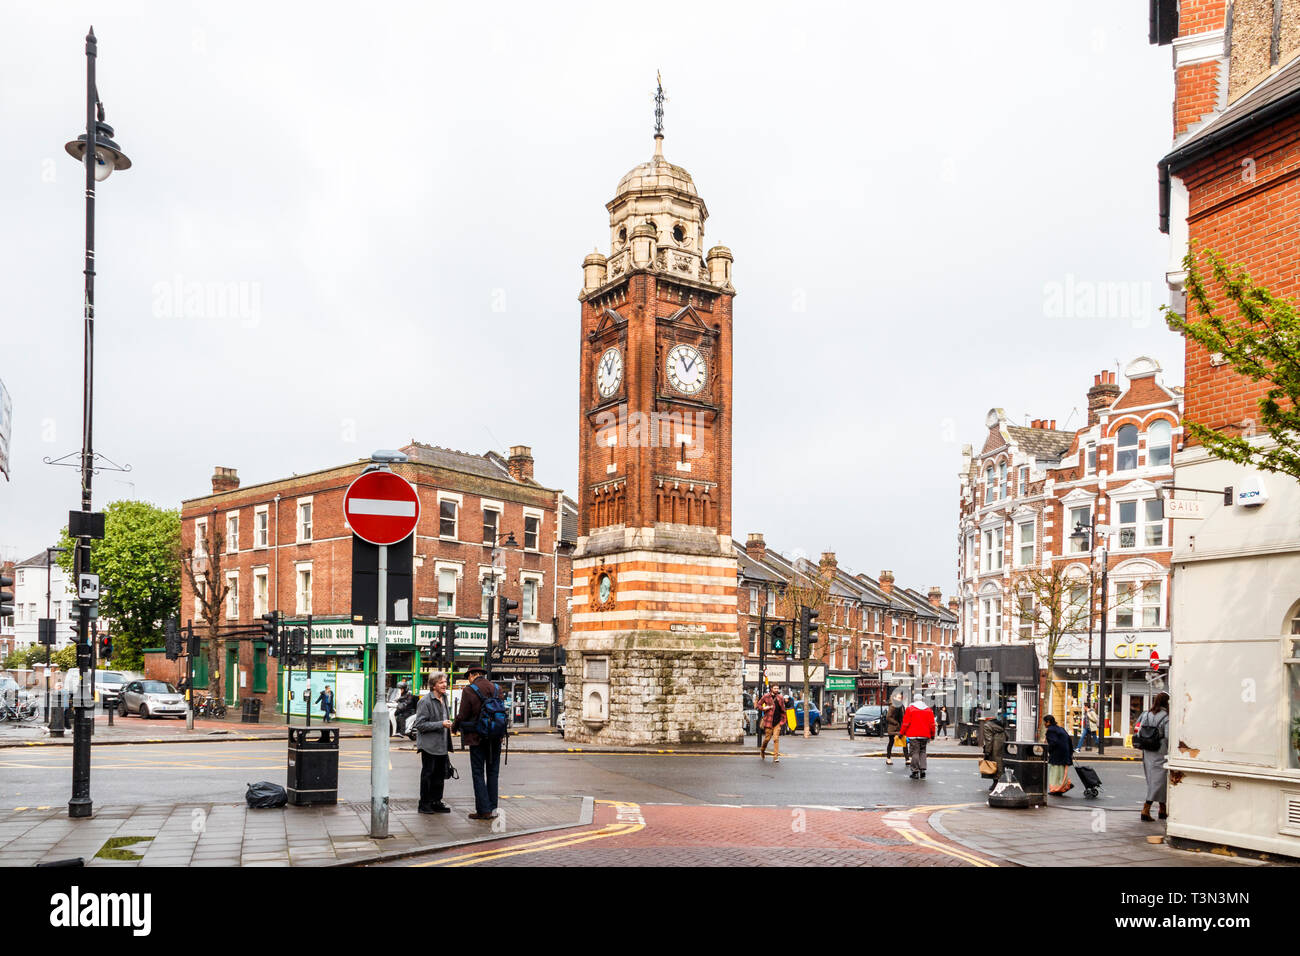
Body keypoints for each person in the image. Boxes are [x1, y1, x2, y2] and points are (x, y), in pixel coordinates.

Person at [453, 663, 506, 820]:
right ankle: (493, 808)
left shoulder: (469, 690)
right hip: (496, 737)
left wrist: (454, 727)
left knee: (478, 773)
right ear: (481, 674)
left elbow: (463, 714)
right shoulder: (497, 688)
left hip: (477, 738)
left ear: (471, 675)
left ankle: (484, 810)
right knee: (493, 773)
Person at [412, 671, 453, 814]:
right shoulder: (425, 701)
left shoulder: (445, 698)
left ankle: (436, 802)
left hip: (442, 744)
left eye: (445, 682)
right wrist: (441, 724)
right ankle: (424, 804)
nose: (445, 685)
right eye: (441, 682)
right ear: (433, 685)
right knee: (428, 775)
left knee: (440, 775)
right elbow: (420, 725)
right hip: (429, 746)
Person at [1136, 692, 1170, 822]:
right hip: (1160, 750)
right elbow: (1167, 735)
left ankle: (1162, 809)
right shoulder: (1166, 716)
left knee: (1153, 779)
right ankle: (1146, 808)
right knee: (1159, 780)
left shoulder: (1147, 714)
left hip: (1147, 750)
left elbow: (1139, 731)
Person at [899, 694, 936, 779]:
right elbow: (932, 724)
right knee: (923, 752)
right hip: (925, 735)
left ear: (914, 700)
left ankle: (915, 771)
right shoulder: (928, 710)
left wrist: (901, 733)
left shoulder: (910, 709)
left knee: (915, 752)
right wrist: (932, 735)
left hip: (913, 735)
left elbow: (906, 723)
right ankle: (922, 770)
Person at [1044, 714, 1074, 794]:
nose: (1044, 724)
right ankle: (1065, 785)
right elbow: (1069, 740)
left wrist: (1048, 750)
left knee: (1055, 772)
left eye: (1045, 722)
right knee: (1061, 771)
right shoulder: (1060, 728)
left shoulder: (1050, 730)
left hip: (1057, 754)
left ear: (1048, 722)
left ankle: (1056, 789)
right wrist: (1070, 752)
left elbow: (1053, 743)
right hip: (1065, 753)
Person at [978, 713, 1007, 791]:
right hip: (1001, 745)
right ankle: (999, 781)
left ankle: (996, 783)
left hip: (994, 747)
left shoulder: (987, 726)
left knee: (994, 764)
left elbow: (988, 740)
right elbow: (1007, 735)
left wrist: (987, 751)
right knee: (1000, 762)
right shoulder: (999, 725)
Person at [758, 684, 786, 762]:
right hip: (768, 721)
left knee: (776, 739)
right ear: (771, 689)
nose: (776, 689)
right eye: (775, 688)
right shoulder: (766, 696)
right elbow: (758, 704)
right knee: (767, 739)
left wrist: (783, 720)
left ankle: (775, 757)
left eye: (777, 688)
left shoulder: (780, 697)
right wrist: (764, 708)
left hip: (777, 722)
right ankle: (762, 750)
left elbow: (783, 709)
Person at [883, 698, 905, 765]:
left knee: (904, 742)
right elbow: (888, 717)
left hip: (900, 727)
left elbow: (903, 716)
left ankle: (907, 759)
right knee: (891, 742)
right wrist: (896, 723)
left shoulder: (901, 706)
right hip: (893, 728)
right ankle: (888, 758)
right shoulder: (893, 706)